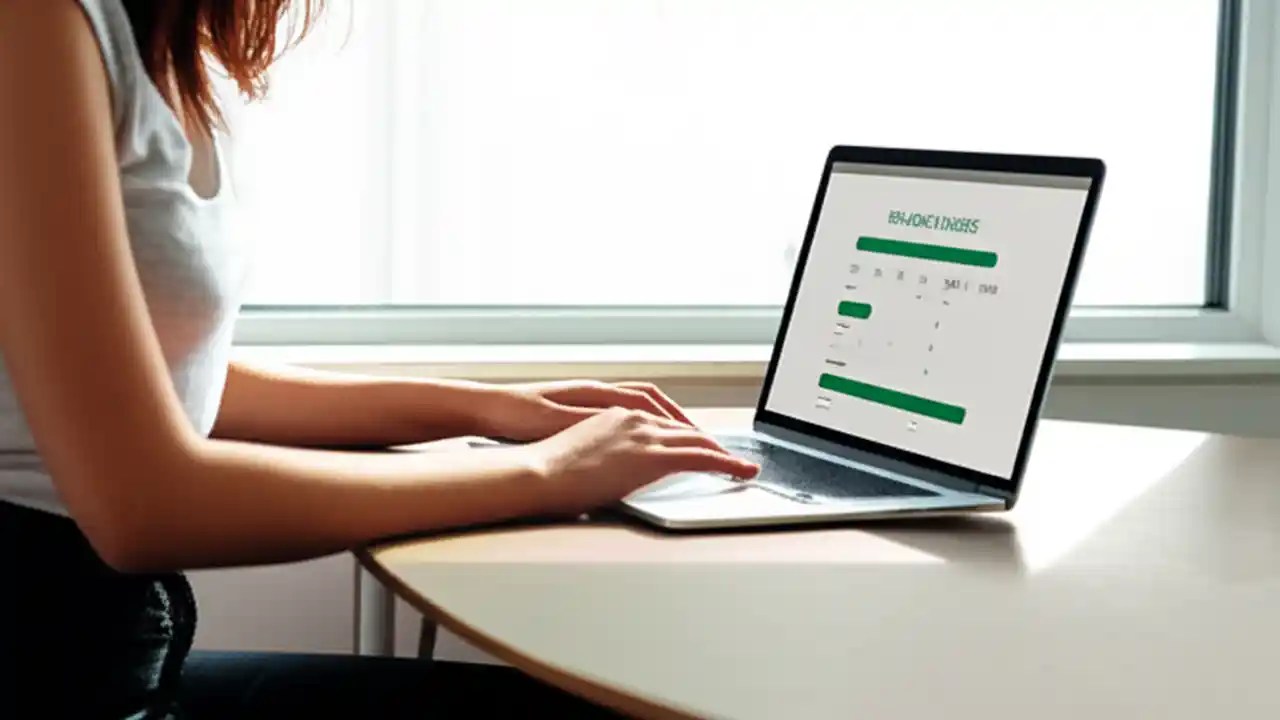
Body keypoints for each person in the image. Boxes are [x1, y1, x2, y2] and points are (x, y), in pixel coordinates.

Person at [0, 0, 760, 717]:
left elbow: (165, 379)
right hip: (53, 659)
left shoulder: (157, 39)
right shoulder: (35, 25)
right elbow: (142, 507)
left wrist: (482, 408)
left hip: (110, 645)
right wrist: (545, 475)